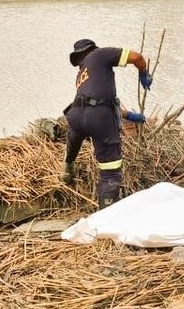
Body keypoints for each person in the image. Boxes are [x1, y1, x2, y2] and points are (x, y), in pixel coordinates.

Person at [62, 38, 152, 208]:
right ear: (93, 49)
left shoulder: (82, 74)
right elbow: (137, 57)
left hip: (76, 116)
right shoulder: (100, 54)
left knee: (74, 140)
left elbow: (95, 103)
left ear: (78, 57)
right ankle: (106, 213)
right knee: (110, 171)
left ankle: (68, 167)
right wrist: (143, 73)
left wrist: (129, 116)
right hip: (99, 118)